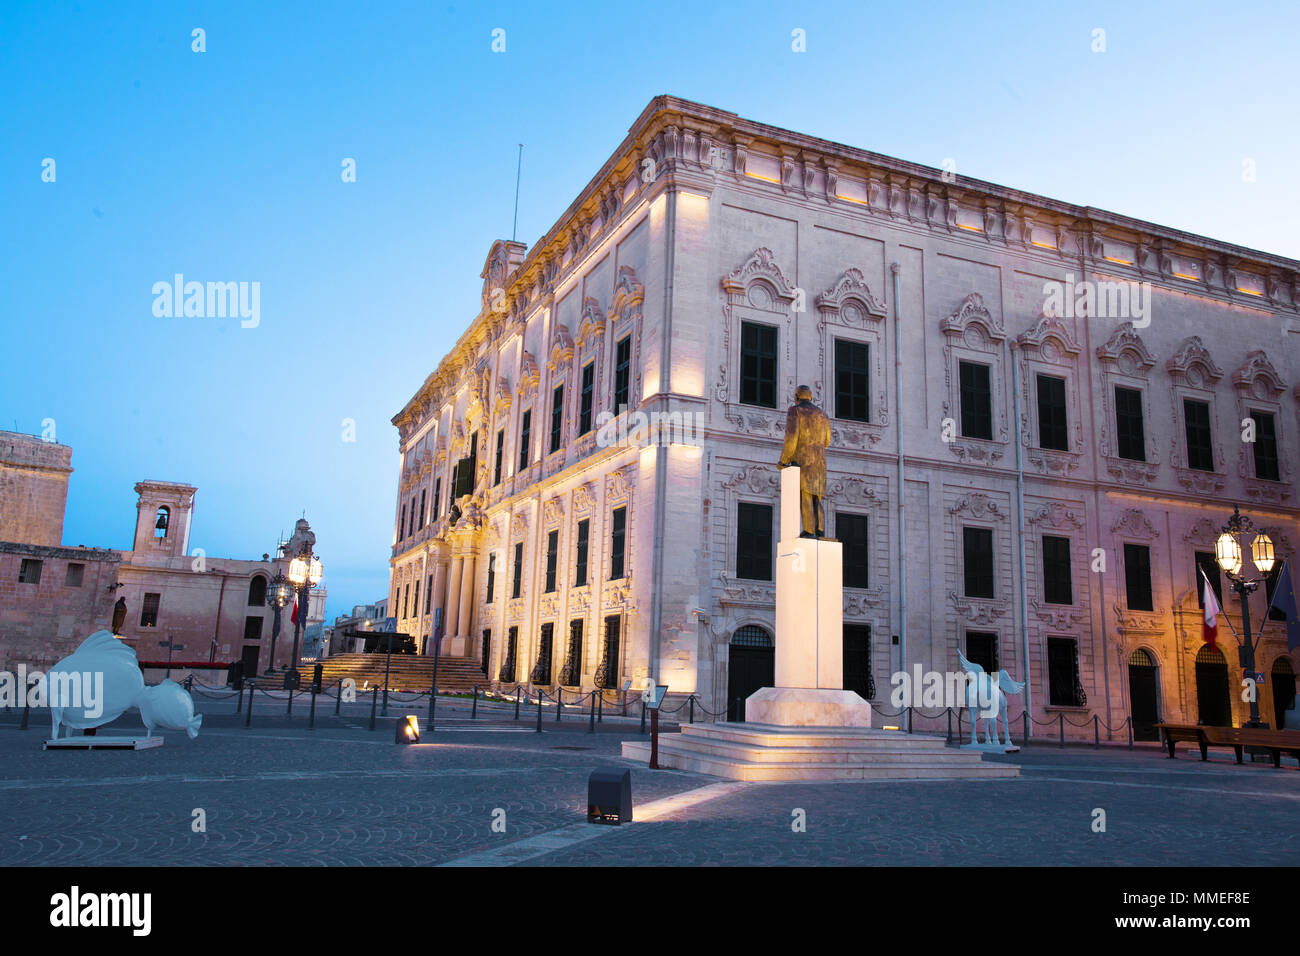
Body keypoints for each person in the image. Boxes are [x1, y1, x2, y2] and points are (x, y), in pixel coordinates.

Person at [778, 384, 831, 537]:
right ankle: (820, 530)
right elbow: (827, 441)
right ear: (811, 397)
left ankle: (808, 530)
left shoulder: (795, 410)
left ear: (796, 397)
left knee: (805, 495)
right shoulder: (822, 414)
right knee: (817, 497)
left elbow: (791, 438)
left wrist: (783, 460)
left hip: (802, 459)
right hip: (820, 461)